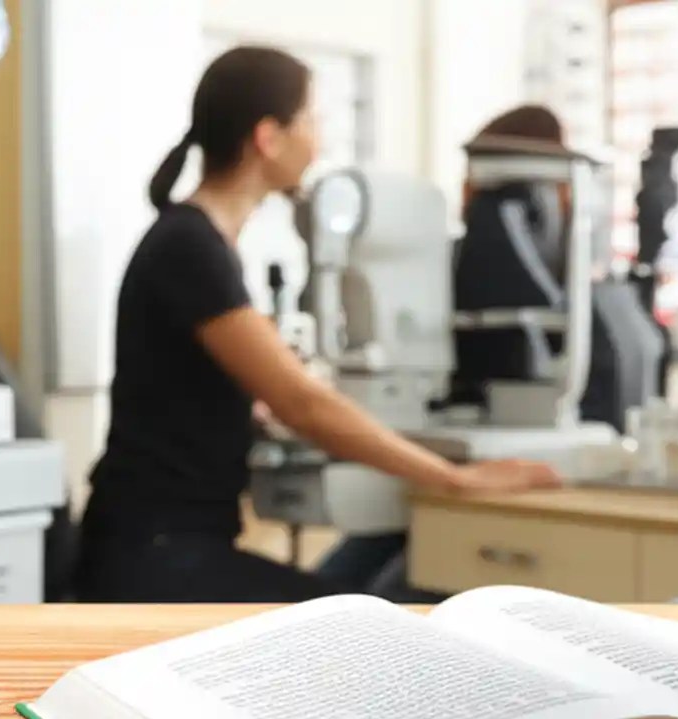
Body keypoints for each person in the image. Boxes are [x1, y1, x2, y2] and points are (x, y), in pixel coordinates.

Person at [73, 47, 562, 604]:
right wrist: (456, 479)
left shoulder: (198, 240)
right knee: (364, 620)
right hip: (155, 557)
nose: (318, 141)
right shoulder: (190, 246)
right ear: (268, 137)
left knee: (373, 573)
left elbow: (223, 393)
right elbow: (302, 402)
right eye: (311, 119)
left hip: (163, 545)